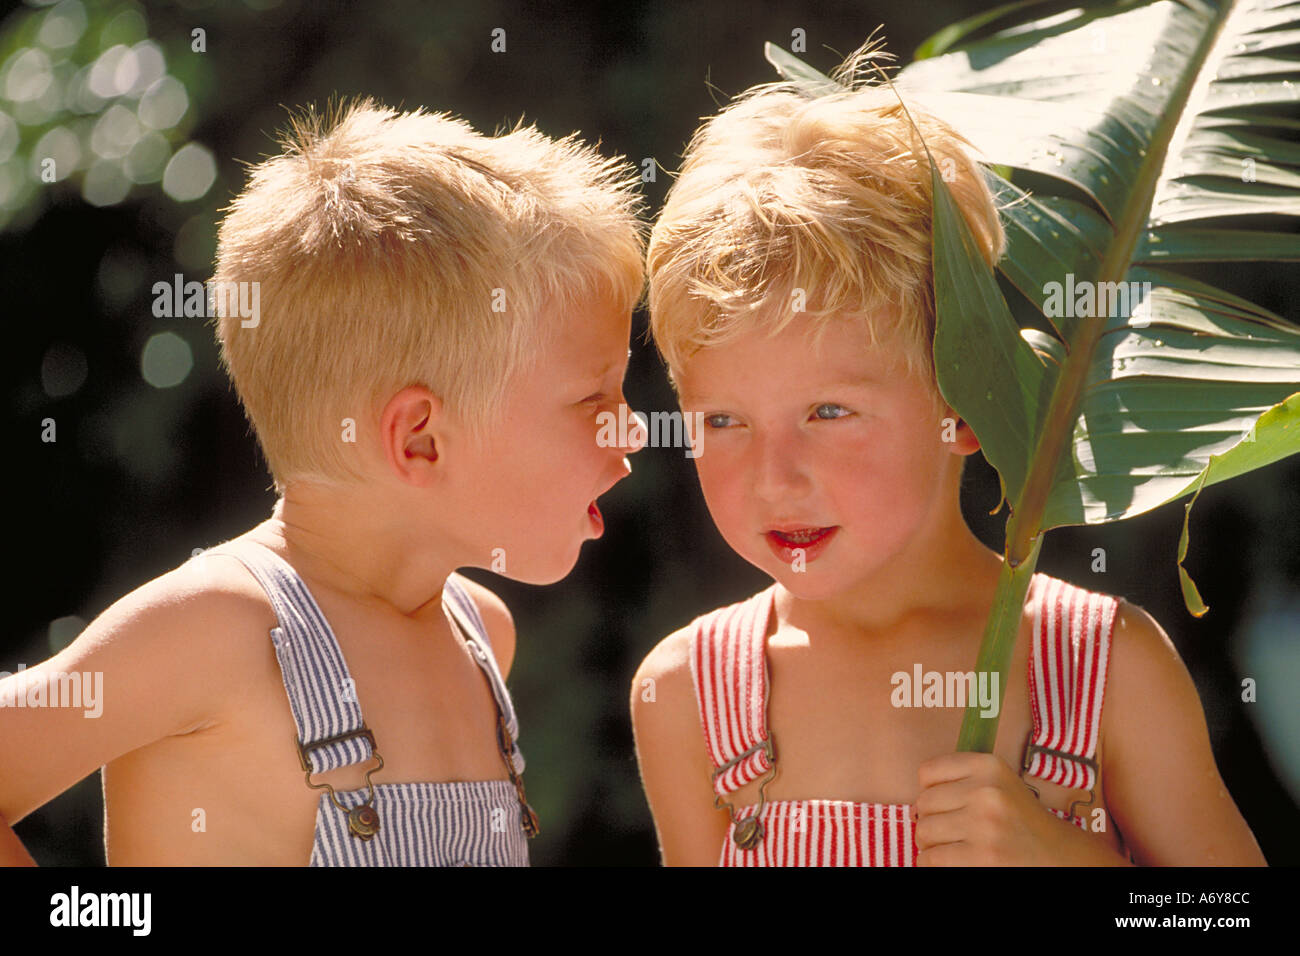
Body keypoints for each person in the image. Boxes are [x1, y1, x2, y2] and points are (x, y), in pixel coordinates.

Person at [629, 44, 1265, 866]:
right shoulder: (687, 693)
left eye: (828, 411)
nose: (772, 476)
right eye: (723, 421)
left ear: (966, 404)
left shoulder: (1102, 665)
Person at [1, 99, 645, 865]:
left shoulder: (481, 635)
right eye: (593, 399)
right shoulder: (219, 629)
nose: (632, 427)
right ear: (420, 440)